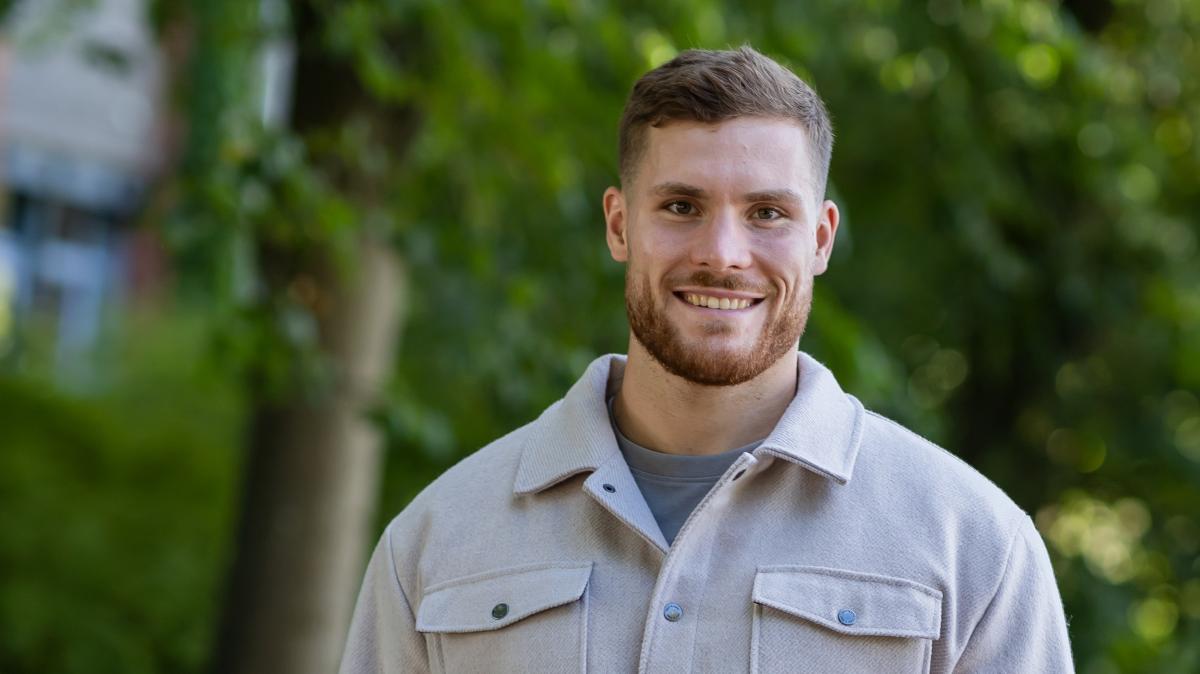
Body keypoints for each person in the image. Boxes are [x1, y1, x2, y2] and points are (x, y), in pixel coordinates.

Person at [339, 46, 1073, 673]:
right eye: (682, 207)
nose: (722, 254)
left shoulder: (973, 545)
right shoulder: (437, 540)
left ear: (820, 239)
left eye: (767, 213)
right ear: (619, 225)